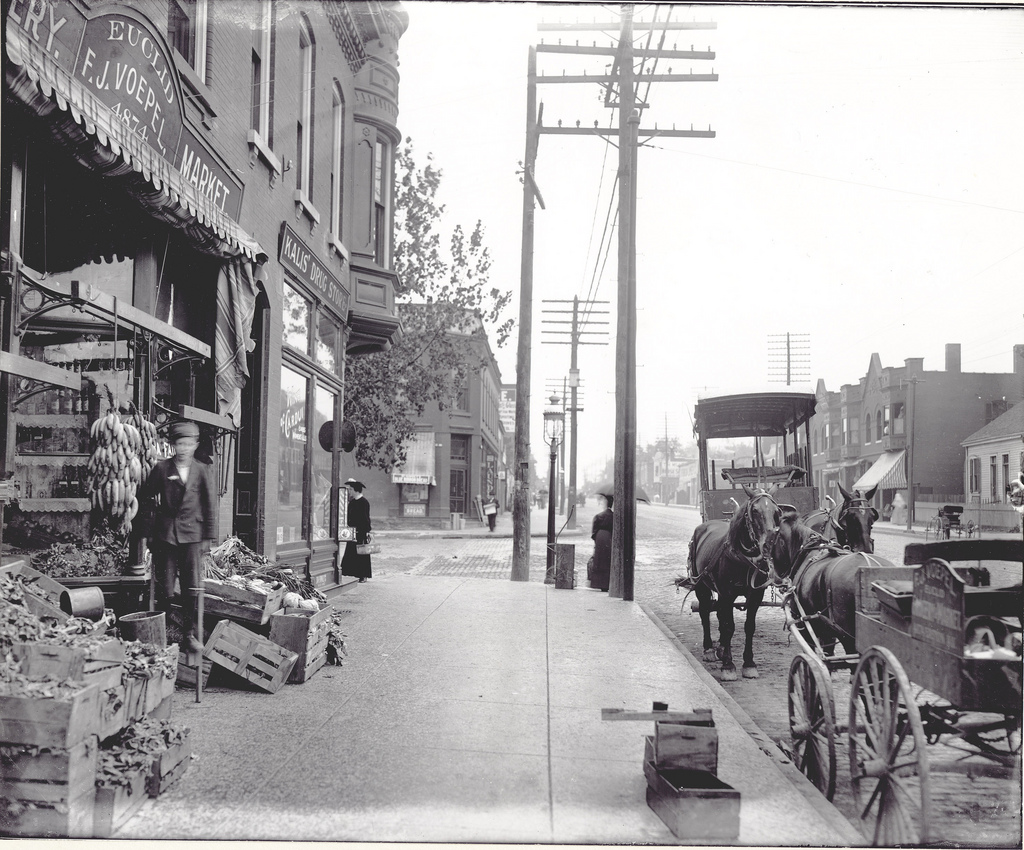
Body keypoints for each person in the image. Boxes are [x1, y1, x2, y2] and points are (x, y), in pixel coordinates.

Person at [140, 420, 218, 653]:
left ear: (195, 445)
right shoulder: (162, 469)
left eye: (189, 444)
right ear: (173, 445)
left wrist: (208, 537)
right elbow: (146, 498)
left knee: (191, 586)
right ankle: (162, 633)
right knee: (165, 586)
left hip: (193, 536)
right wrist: (149, 531)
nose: (184, 448)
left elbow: (210, 505)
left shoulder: (202, 470)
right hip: (166, 536)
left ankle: (188, 634)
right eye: (180, 444)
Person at [341, 479, 372, 582]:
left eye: (351, 489)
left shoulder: (364, 502)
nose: (349, 491)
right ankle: (353, 573)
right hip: (352, 531)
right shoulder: (352, 502)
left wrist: (367, 531)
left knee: (362, 552)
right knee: (352, 552)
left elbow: (366, 518)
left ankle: (363, 575)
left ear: (356, 490)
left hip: (361, 532)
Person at [590, 492, 614, 592]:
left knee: (599, 560)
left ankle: (598, 583)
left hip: (600, 538)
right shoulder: (614, 516)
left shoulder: (598, 516)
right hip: (610, 538)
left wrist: (597, 539)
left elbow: (594, 532)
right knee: (608, 561)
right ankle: (607, 584)